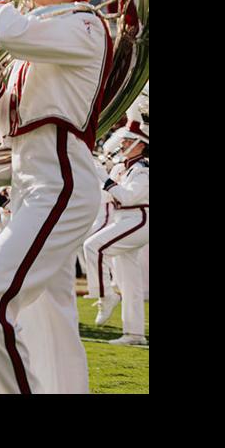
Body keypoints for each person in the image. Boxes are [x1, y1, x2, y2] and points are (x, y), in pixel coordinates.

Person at [0, 0, 114, 394]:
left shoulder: (83, 26)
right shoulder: (46, 34)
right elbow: (6, 127)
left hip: (59, 182)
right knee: (52, 324)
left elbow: (11, 32)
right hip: (35, 182)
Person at [83, 120, 148, 345]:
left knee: (93, 246)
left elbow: (129, 197)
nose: (123, 144)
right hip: (125, 218)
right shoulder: (124, 168)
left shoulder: (143, 170)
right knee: (130, 282)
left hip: (140, 219)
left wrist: (105, 177)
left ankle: (106, 295)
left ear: (141, 145)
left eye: (129, 141)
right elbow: (110, 197)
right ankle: (134, 333)